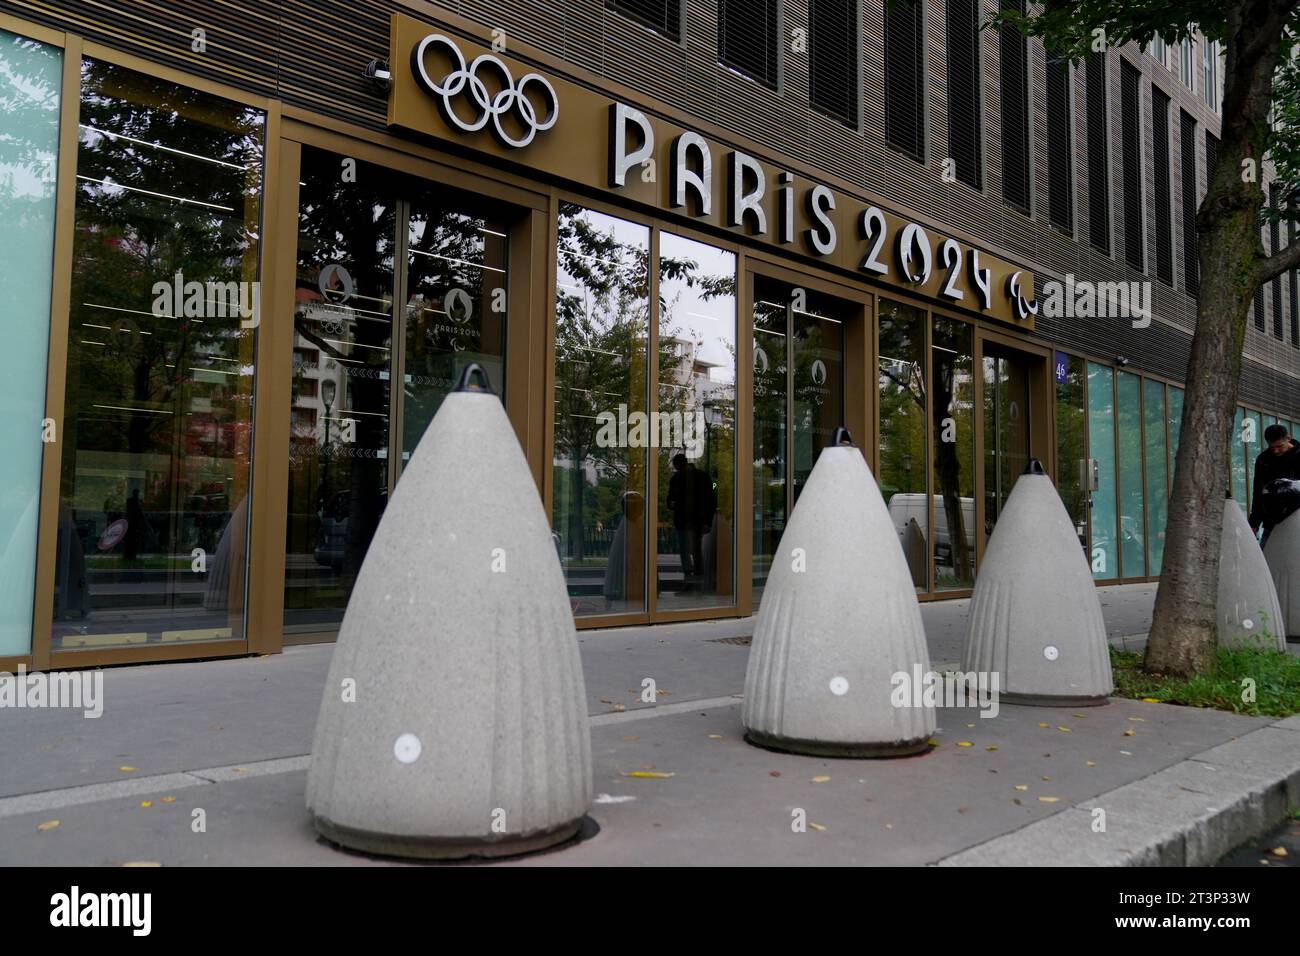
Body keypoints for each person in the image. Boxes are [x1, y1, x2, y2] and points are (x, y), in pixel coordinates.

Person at [666, 453, 716, 590]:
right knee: (694, 549)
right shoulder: (702, 477)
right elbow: (711, 496)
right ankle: (696, 573)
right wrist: (708, 520)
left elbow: (670, 499)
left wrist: (673, 504)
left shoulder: (677, 479)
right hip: (694, 520)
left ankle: (690, 573)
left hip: (687, 520)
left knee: (687, 549)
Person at [1249, 424, 1300, 546]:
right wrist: (1254, 523)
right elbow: (1258, 493)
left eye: (1279, 446)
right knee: (1266, 560)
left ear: (1288, 438)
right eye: (1272, 447)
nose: (1276, 451)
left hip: (1296, 518)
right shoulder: (1264, 460)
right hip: (1272, 521)